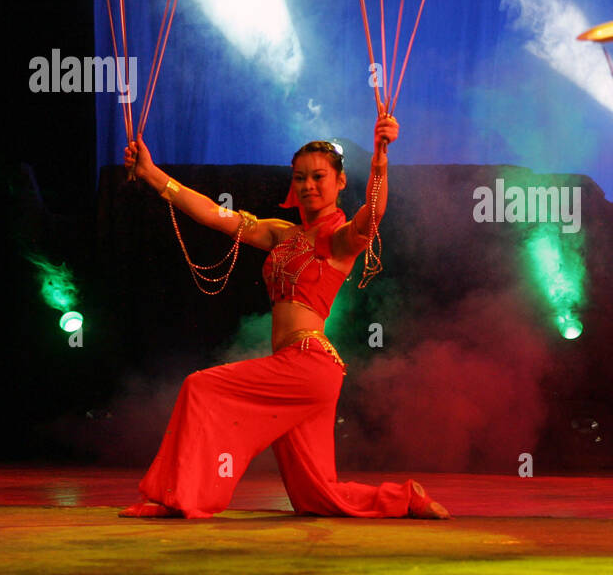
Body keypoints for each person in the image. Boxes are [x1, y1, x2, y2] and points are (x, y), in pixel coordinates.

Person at [118, 113, 449, 520]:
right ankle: (406, 497)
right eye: (300, 177)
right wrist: (152, 175)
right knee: (316, 497)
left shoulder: (340, 239)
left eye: (319, 177)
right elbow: (211, 214)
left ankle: (177, 497)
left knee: (200, 387)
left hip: (310, 364)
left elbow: (375, 211)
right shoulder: (281, 233)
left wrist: (380, 156)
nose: (308, 185)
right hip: (296, 368)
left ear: (340, 182)